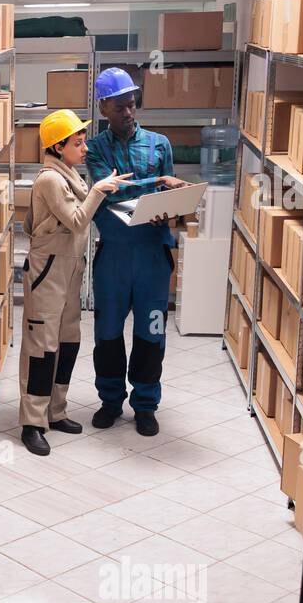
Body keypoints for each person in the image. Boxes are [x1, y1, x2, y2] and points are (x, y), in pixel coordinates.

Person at [19, 110, 132, 456]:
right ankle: (32, 424)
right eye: (78, 143)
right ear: (58, 146)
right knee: (42, 347)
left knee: (67, 341)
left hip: (68, 270)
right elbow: (78, 219)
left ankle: (56, 411)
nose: (85, 148)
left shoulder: (69, 174)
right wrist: (98, 189)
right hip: (48, 272)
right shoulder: (50, 180)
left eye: (83, 142)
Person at [83, 67, 189, 437]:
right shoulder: (94, 149)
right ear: (103, 108)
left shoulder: (160, 144)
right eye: (119, 107)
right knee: (108, 333)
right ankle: (110, 400)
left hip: (151, 257)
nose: (128, 113)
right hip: (114, 255)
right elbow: (108, 193)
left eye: (132, 105)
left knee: (151, 332)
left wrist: (172, 197)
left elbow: (169, 201)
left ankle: (145, 403)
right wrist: (157, 182)